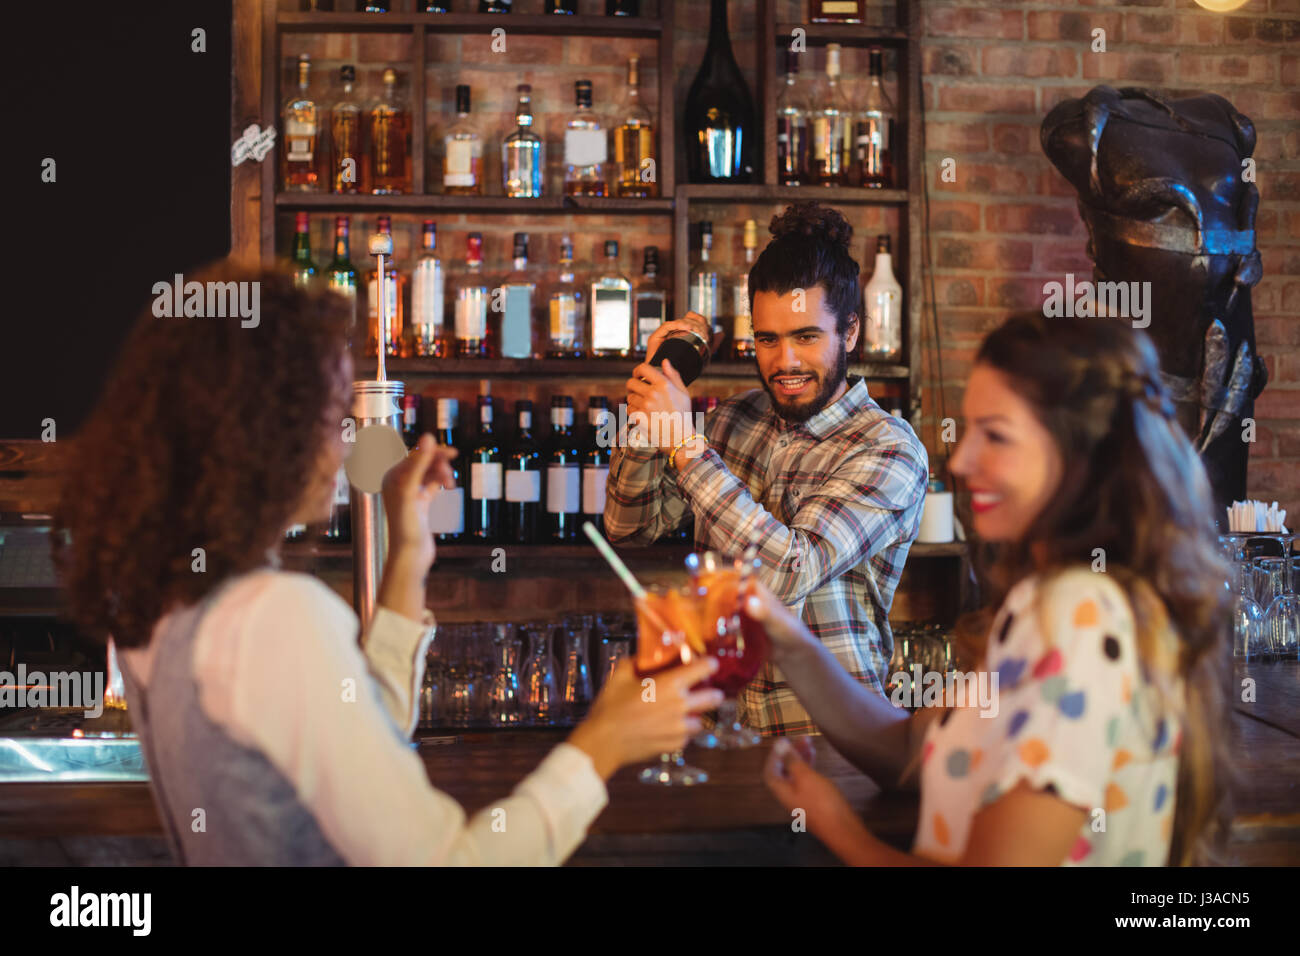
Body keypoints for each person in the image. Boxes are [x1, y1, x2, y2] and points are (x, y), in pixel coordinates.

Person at [54, 265, 723, 866]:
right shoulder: (275, 615)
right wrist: (603, 743)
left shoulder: (165, 601)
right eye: (333, 414)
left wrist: (408, 553)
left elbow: (363, 721)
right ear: (262, 432)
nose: (351, 437)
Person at [747, 312, 1232, 865]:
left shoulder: (1080, 616)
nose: (962, 459)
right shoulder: (1053, 603)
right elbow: (907, 751)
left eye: (996, 435)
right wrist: (785, 638)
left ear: (1081, 456)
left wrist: (838, 829)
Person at [605, 202, 929, 737]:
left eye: (806, 337)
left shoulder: (888, 449)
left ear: (849, 333)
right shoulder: (731, 421)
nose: (785, 362)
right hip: (720, 731)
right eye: (767, 339)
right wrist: (655, 395)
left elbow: (789, 573)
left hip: (832, 743)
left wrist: (684, 442)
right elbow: (629, 526)